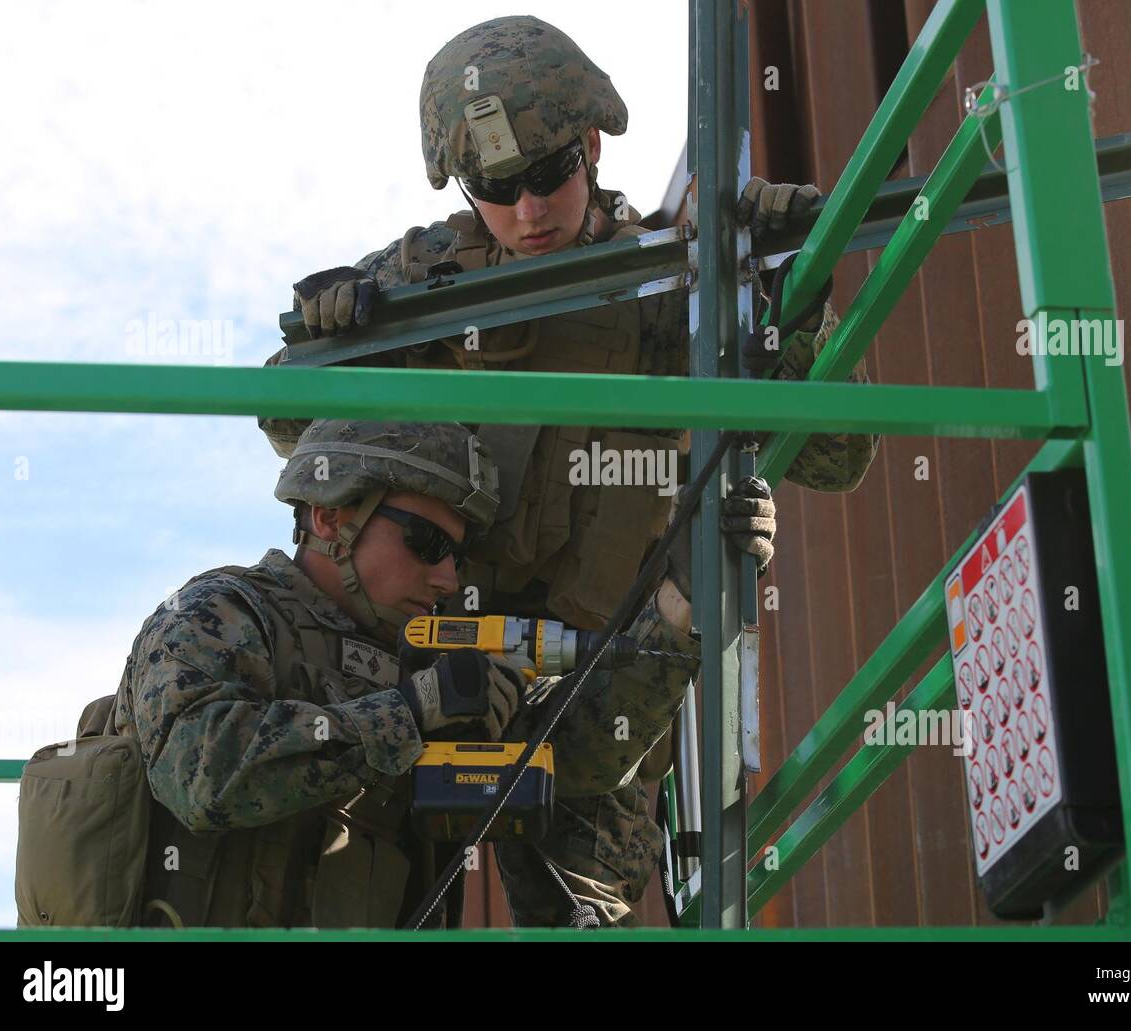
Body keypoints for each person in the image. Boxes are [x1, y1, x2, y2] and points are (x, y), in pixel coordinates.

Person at [258, 16, 878, 927]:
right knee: (366, 896)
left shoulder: (672, 279)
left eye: (548, 173)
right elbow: (284, 422)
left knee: (589, 919)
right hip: (429, 667)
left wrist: (790, 302)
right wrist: (330, 341)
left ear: (591, 145)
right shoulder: (431, 276)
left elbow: (843, 454)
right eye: (496, 188)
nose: (528, 211)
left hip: (600, 684)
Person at [114, 420, 523, 928]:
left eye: (457, 557)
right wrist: (411, 712)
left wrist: (654, 622)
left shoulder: (428, 663)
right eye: (427, 542)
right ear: (330, 519)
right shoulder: (217, 614)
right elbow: (202, 775)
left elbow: (588, 757)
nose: (447, 579)